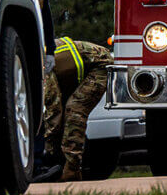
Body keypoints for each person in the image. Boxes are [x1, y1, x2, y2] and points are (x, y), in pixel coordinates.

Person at [35, 37, 113, 182]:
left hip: (101, 65)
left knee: (74, 111)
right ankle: (65, 163)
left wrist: (46, 149)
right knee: (66, 114)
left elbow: (54, 111)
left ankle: (72, 169)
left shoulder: (43, 66)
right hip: (86, 67)